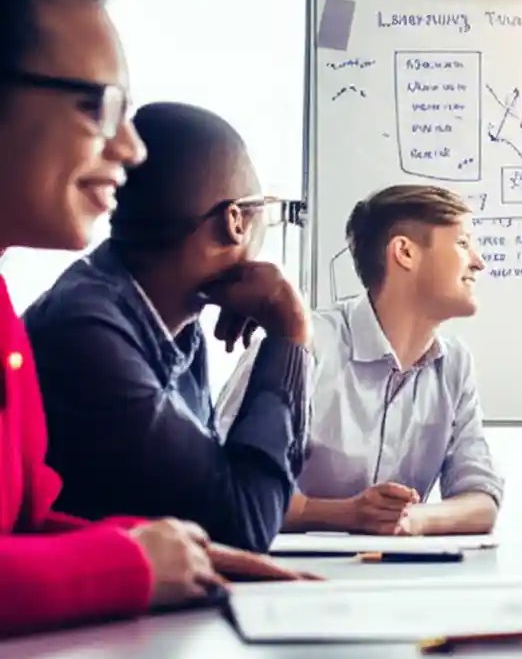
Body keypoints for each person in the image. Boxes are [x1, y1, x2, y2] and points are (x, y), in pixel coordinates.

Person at [0, 0, 304, 637]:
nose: (131, 148)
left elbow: (29, 521)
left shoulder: (8, 329)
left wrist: (176, 549)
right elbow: (245, 512)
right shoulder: (83, 324)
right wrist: (129, 563)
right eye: (98, 105)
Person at [23, 101, 311, 553]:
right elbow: (245, 522)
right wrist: (290, 335)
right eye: (265, 212)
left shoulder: (176, 324)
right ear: (234, 221)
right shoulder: (85, 332)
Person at [217, 185, 503, 536]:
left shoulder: (454, 364)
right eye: (463, 243)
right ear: (405, 252)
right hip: (287, 575)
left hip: (393, 577)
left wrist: (410, 519)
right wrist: (343, 514)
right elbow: (224, 486)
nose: (479, 261)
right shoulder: (299, 343)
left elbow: (482, 499)